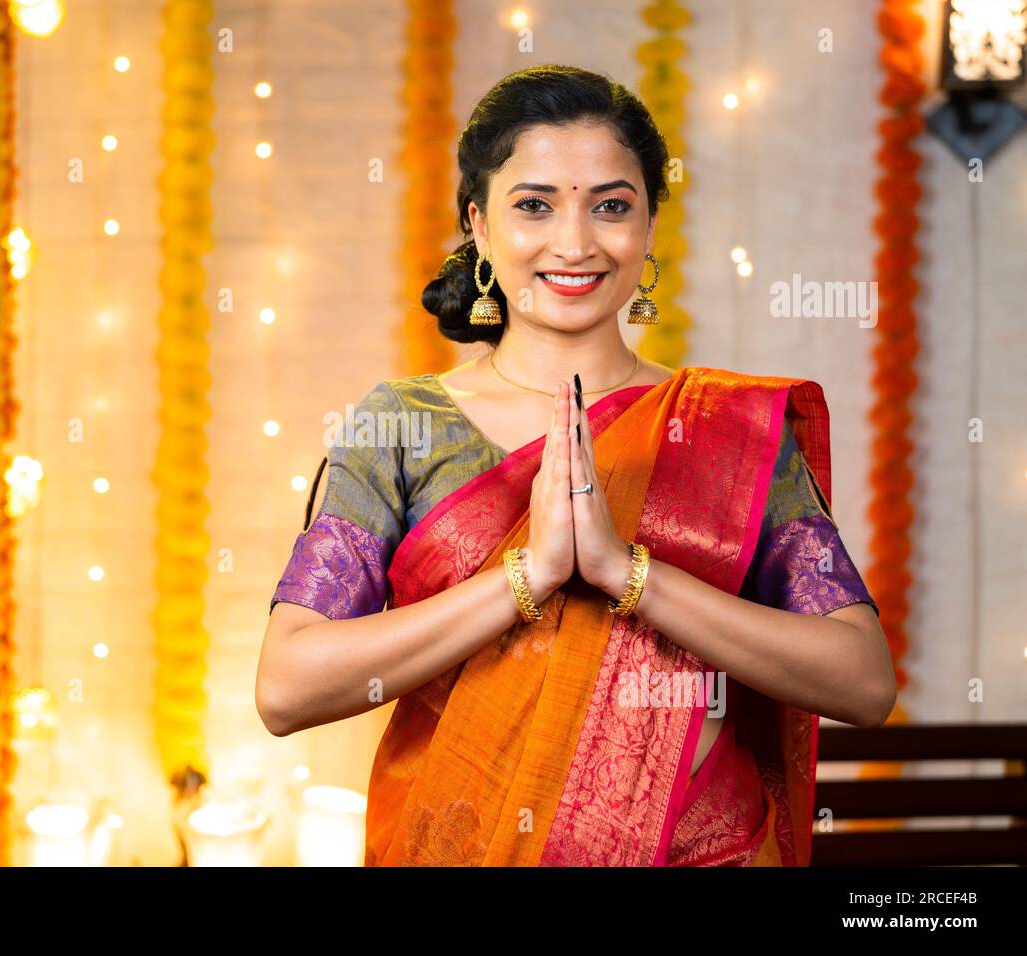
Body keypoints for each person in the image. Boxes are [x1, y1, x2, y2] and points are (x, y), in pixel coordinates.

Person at [256, 64, 894, 867]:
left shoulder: (727, 429)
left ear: (650, 226)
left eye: (611, 206)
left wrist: (630, 573)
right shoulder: (403, 425)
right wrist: (527, 576)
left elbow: (862, 682)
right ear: (479, 226)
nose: (576, 242)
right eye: (534, 205)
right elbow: (287, 687)